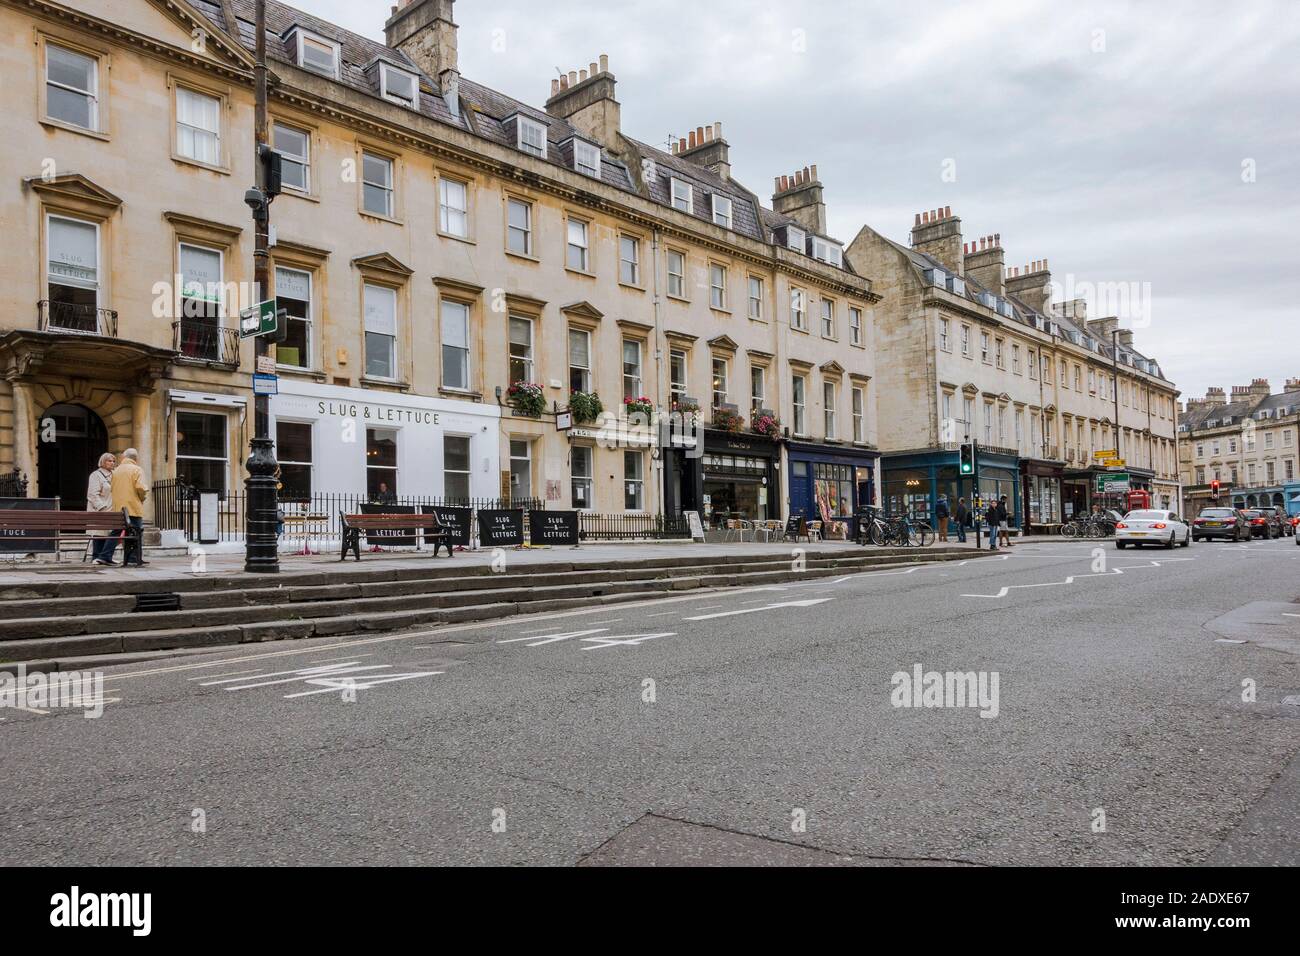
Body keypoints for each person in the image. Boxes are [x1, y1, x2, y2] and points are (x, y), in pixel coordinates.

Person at [110, 448, 149, 567]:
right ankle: (134, 558)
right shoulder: (137, 469)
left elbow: (112, 488)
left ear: (124, 458)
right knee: (136, 532)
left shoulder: (116, 470)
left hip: (119, 508)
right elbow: (141, 488)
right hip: (132, 506)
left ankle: (105, 555)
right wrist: (141, 498)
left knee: (117, 532)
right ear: (135, 458)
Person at [86, 452, 118, 566]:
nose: (112, 463)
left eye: (113, 461)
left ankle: (106, 557)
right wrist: (102, 507)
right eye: (109, 460)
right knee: (99, 533)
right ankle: (97, 556)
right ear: (102, 462)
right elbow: (92, 494)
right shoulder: (96, 475)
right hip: (100, 510)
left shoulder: (115, 475)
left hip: (112, 509)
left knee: (109, 533)